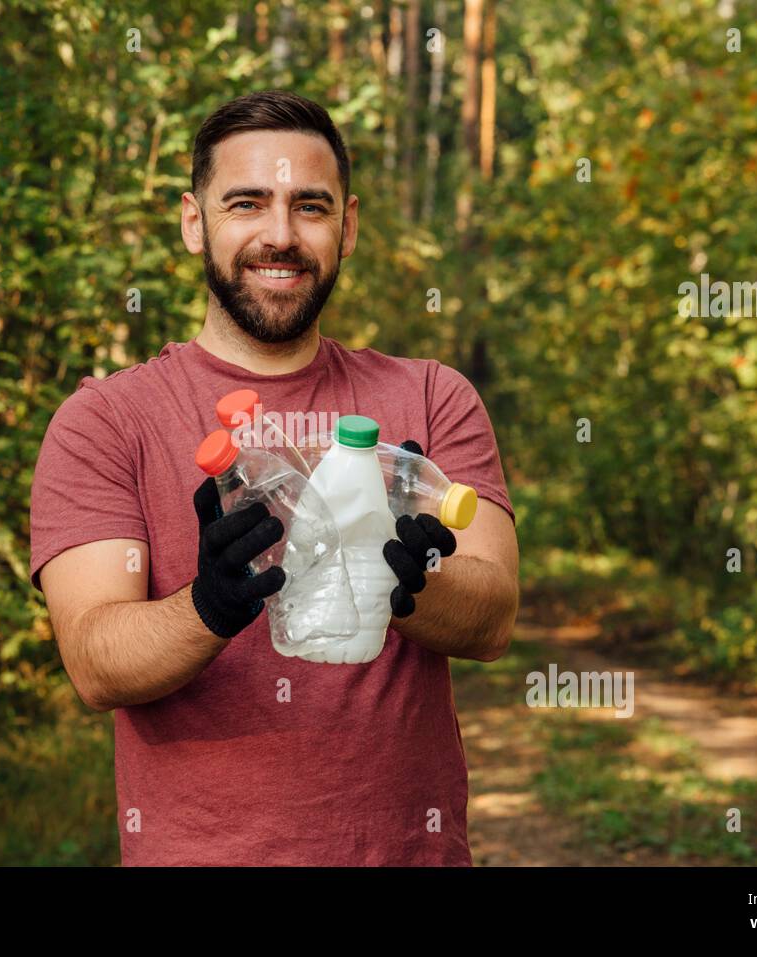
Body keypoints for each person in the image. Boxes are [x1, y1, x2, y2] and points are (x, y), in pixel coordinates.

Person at [30, 90, 519, 866]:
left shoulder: (431, 395)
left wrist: (412, 582)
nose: (280, 235)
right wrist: (210, 604)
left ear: (348, 226)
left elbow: (492, 618)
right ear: (195, 221)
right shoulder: (106, 420)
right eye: (248, 202)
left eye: (311, 207)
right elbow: (94, 661)